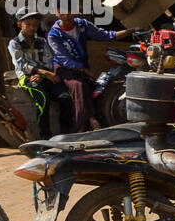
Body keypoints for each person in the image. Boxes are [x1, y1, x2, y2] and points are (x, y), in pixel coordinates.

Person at [46, 11, 134, 132]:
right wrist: (84, 70)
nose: (66, 15)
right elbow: (63, 59)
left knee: (96, 87)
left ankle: (95, 120)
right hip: (64, 69)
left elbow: (105, 35)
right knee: (79, 86)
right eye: (62, 11)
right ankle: (82, 127)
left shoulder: (83, 25)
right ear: (57, 13)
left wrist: (129, 31)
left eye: (69, 11)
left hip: (82, 67)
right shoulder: (54, 34)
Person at [8, 10, 73, 139]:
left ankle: (65, 135)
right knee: (42, 99)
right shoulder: (14, 43)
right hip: (27, 78)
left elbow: (49, 61)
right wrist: (41, 72)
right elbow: (22, 65)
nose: (33, 28)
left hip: (45, 76)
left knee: (66, 97)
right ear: (20, 25)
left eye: (35, 25)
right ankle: (45, 137)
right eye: (28, 24)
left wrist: (42, 75)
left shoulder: (42, 41)